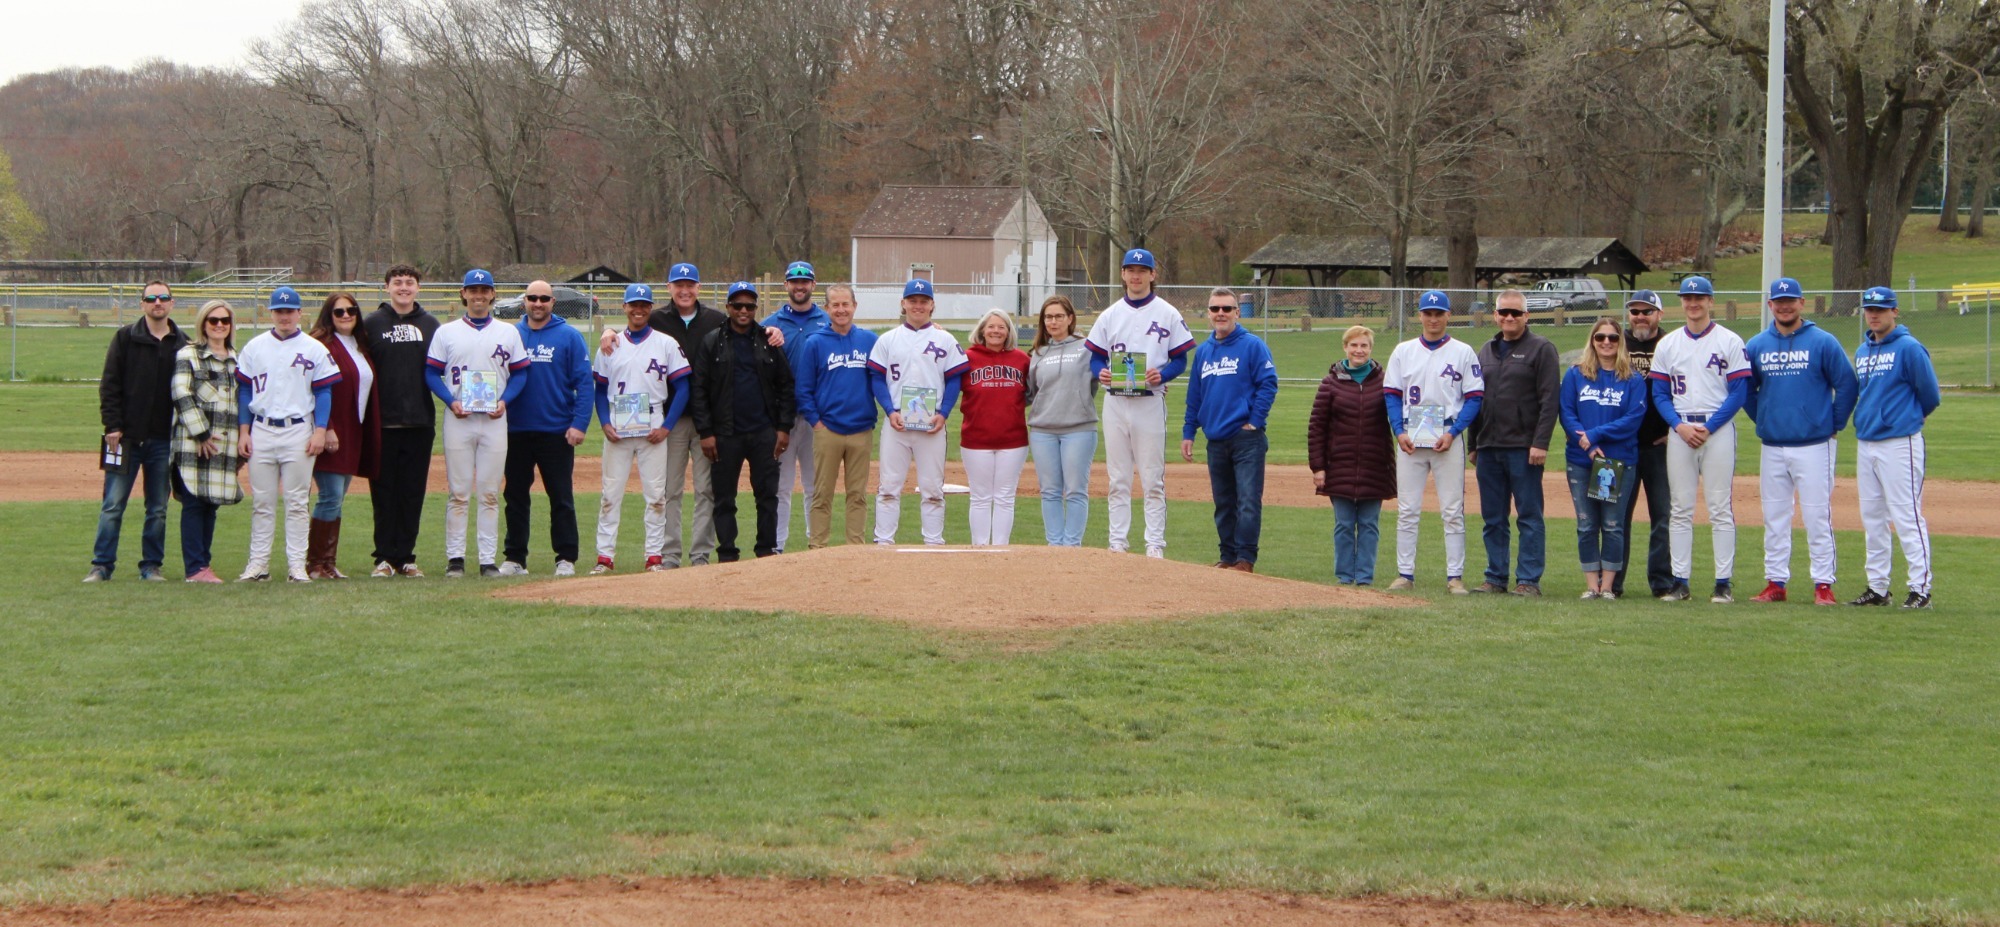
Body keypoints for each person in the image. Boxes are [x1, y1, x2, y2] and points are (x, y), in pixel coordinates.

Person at [600, 263, 784, 566]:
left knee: (706, 490)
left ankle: (700, 554)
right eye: (678, 284)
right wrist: (608, 330)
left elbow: (746, 324)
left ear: (698, 287)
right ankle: (669, 554)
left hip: (707, 422)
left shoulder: (715, 319)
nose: (684, 290)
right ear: (669, 287)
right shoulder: (656, 318)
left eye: (690, 284)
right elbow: (629, 328)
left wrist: (772, 330)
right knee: (670, 490)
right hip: (667, 420)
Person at [1743, 277, 1858, 605]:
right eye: (1779, 301)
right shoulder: (1757, 345)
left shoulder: (1822, 341)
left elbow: (1847, 384)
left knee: (1816, 515)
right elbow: (1744, 390)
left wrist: (1834, 423)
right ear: (1770, 306)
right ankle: (1775, 582)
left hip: (1814, 444)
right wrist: (1762, 419)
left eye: (1790, 300)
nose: (1785, 306)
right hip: (1773, 445)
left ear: (1801, 303)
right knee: (1775, 516)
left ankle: (1824, 585)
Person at [1085, 248, 1194, 558]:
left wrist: (1163, 374)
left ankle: (1154, 544)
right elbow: (1095, 356)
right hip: (1116, 402)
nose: (1136, 275)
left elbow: (1180, 358)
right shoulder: (1110, 314)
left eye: (1142, 270)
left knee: (1152, 477)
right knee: (1117, 476)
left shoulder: (1168, 313)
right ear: (1122, 274)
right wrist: (1100, 373)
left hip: (1149, 401)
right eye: (1130, 269)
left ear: (1152, 275)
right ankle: (1117, 541)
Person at [1650, 274, 1751, 603]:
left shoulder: (1729, 340)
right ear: (1681, 302)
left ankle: (1723, 582)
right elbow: (1660, 393)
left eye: (1699, 298)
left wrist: (1711, 426)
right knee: (1680, 508)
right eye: (1687, 298)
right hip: (1680, 430)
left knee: (1720, 507)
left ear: (1711, 301)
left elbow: (1739, 393)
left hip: (1717, 430)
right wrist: (1678, 426)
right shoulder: (1668, 344)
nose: (1693, 303)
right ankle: (1680, 582)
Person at [424, 269, 531, 578]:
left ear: (493, 294)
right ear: (463, 293)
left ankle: (487, 560)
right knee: (458, 491)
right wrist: (450, 400)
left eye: (485, 289)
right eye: (473, 289)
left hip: (494, 419)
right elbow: (432, 372)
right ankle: (455, 558)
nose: (479, 295)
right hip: (460, 418)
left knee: (489, 492)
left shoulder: (508, 332)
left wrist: (504, 401)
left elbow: (521, 372)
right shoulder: (447, 332)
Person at [234, 286, 339, 582]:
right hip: (262, 428)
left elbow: (324, 392)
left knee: (296, 502)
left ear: (299, 313)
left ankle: (296, 565)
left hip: (297, 429)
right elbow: (244, 389)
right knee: (262, 502)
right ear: (270, 313)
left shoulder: (314, 348)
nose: (285, 316)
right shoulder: (255, 346)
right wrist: (245, 430)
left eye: (290, 310)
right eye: (279, 311)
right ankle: (258, 565)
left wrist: (320, 430)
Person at [1384, 290, 1484, 594]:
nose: (1433, 318)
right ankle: (1405, 574)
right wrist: (1398, 431)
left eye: (1438, 313)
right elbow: (1391, 394)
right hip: (1411, 439)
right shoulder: (1403, 351)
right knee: (1407, 509)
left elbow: (1474, 397)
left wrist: (1454, 433)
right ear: (1419, 316)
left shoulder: (1463, 351)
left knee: (1452, 510)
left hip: (1447, 434)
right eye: (1427, 313)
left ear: (1448, 315)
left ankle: (1455, 576)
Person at [90, 279, 190, 582]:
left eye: (163, 298)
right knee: (112, 504)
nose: (157, 303)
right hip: (125, 439)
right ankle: (102, 566)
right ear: (142, 304)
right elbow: (110, 385)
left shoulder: (183, 344)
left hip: (164, 440)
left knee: (158, 507)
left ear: (172, 303)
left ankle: (151, 566)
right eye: (151, 299)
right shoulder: (125, 338)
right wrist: (113, 425)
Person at [1849, 285, 1941, 609]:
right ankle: (1878, 588)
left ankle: (1920, 589)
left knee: (1906, 516)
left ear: (1894, 312)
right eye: (1869, 309)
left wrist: (1906, 419)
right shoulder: (1862, 352)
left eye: (1881, 309)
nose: (1874, 314)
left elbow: (1930, 395)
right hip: (1867, 443)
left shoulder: (1910, 349)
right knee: (1872, 517)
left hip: (1900, 443)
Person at [692, 282, 795, 561]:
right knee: (724, 499)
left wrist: (783, 428)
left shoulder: (768, 340)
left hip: (763, 431)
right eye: (737, 305)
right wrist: (706, 431)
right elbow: (699, 389)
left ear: (756, 308)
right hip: (725, 434)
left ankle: (765, 551)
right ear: (728, 307)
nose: (743, 310)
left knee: (767, 497)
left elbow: (786, 386)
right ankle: (727, 552)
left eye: (749, 306)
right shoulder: (713, 341)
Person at [593, 283, 692, 572]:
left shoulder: (665, 343)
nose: (638, 309)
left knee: (656, 496)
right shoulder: (610, 344)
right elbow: (599, 389)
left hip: (652, 422)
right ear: (624, 307)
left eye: (644, 304)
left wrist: (667, 426)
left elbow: (683, 387)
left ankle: (654, 557)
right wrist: (604, 422)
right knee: (610, 495)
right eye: (633, 304)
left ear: (651, 308)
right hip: (618, 424)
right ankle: (604, 556)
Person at [1468, 289, 1561, 596]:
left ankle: (1528, 580)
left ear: (1526, 316)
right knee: (1493, 517)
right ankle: (1495, 577)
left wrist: (1540, 443)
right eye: (1503, 312)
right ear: (1495, 315)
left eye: (1515, 313)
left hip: (1524, 448)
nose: (1509, 318)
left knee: (1529, 515)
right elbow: (1476, 399)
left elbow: (1550, 401)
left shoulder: (1541, 349)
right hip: (1489, 447)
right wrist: (1473, 443)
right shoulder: (1486, 350)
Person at [1180, 287, 1278, 571]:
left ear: (1237, 312)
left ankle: (1245, 558)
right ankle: (1227, 555)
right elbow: (1195, 395)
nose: (1220, 313)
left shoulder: (1252, 345)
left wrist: (1255, 422)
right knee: (1223, 502)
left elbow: (1268, 384)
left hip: (1246, 438)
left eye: (1226, 308)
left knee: (1247, 500)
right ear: (1208, 314)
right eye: (1215, 309)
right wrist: (1189, 431)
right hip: (1216, 438)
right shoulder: (1204, 351)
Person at [502, 279, 593, 577]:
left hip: (556, 430)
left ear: (553, 302)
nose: (538, 303)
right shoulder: (511, 335)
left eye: (544, 298)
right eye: (532, 298)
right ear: (524, 302)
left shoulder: (569, 336)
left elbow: (584, 383)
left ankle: (565, 557)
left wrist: (579, 424)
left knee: (561, 497)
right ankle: (515, 558)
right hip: (515, 430)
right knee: (515, 496)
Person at [869, 278, 969, 546]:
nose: (918, 305)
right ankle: (884, 541)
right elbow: (877, 378)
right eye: (912, 300)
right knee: (888, 487)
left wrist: (945, 413)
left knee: (933, 489)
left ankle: (934, 541)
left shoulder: (945, 339)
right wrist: (889, 411)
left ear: (932, 305)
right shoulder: (888, 339)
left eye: (923, 301)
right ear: (903, 303)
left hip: (932, 422)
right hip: (898, 421)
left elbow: (955, 379)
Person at [1559, 317, 1648, 600]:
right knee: (1586, 524)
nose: (1606, 342)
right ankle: (1591, 586)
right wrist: (1586, 444)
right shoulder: (1576, 375)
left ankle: (1608, 587)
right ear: (1592, 341)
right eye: (1600, 338)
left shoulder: (1632, 379)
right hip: (1581, 460)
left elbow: (1633, 419)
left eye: (1613, 337)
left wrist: (1594, 434)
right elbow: (1566, 412)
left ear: (1621, 342)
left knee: (1612, 525)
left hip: (1616, 462)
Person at [363, 263, 440, 577]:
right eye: (398, 282)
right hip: (382, 424)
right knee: (384, 494)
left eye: (410, 282)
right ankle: (383, 558)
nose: (404, 288)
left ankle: (406, 557)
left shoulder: (432, 325)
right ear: (387, 287)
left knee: (412, 493)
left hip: (419, 422)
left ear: (418, 288)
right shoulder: (371, 324)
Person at [1308, 325, 1396, 586]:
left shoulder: (1386, 382)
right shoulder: (1330, 383)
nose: (1359, 350)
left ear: (1371, 349)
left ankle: (1365, 577)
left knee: (1369, 524)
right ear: (1345, 348)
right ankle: (1345, 577)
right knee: (1344, 524)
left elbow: (1399, 418)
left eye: (1364, 346)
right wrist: (1318, 467)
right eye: (1354, 345)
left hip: (1375, 465)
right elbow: (1317, 428)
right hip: (1340, 465)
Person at [794, 283, 879, 548]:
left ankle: (855, 549)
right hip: (827, 429)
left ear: (854, 306)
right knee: (822, 494)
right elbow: (803, 389)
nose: (841, 310)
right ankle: (818, 548)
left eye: (846, 304)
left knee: (857, 494)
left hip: (861, 429)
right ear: (826, 308)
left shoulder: (870, 340)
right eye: (835, 305)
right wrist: (816, 423)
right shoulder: (815, 343)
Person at [306, 292, 381, 579]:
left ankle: (328, 563)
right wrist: (328, 428)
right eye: (339, 312)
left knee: (337, 498)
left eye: (351, 310)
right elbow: (313, 389)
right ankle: (315, 564)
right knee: (330, 495)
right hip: (330, 431)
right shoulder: (321, 344)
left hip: (355, 430)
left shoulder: (359, 345)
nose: (346, 315)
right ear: (329, 315)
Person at [168, 299, 242, 583]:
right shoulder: (189, 355)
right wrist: (200, 433)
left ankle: (203, 565)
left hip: (225, 445)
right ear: (203, 324)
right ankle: (195, 568)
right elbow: (181, 394)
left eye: (225, 320)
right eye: (214, 321)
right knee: (195, 504)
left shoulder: (238, 359)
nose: (220, 325)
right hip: (194, 444)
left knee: (211, 505)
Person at [1611, 289, 1674, 599]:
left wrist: (1674, 431)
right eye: (1634, 311)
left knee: (1662, 515)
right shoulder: (1614, 341)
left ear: (1659, 315)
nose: (1639, 317)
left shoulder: (1672, 344)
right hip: (1619, 447)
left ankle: (1662, 582)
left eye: (1646, 311)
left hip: (1660, 446)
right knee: (1614, 516)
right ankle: (1612, 581)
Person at [764, 261, 831, 553]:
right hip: (783, 418)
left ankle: (815, 543)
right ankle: (777, 547)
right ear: (786, 285)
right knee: (781, 486)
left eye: (805, 282)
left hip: (817, 415)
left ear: (813, 285)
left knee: (815, 486)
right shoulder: (770, 323)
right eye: (794, 281)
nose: (800, 286)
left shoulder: (828, 322)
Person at [1024, 295, 1097, 547]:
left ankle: (1072, 546)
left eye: (1058, 316)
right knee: (1050, 491)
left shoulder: (1088, 347)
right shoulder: (1037, 352)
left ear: (1070, 318)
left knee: (1076, 490)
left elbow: (1104, 377)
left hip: (1079, 428)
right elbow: (1031, 392)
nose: (1053, 322)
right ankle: (1055, 546)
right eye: (1048, 317)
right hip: (1043, 430)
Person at [961, 308, 1031, 546]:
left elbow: (1034, 391)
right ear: (982, 330)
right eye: (991, 326)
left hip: (1013, 439)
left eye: (1002, 327)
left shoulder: (1021, 359)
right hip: (975, 438)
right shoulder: (967, 358)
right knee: (980, 497)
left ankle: (1000, 549)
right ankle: (979, 547)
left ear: (1009, 331)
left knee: (1005, 497)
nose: (996, 331)